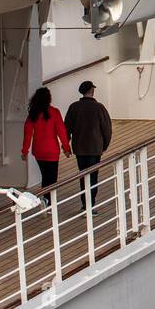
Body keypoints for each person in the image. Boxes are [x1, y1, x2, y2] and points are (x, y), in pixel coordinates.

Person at [64, 81, 113, 212]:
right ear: (92, 91)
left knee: (83, 175)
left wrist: (66, 147)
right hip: (95, 148)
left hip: (79, 148)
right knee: (93, 176)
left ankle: (85, 204)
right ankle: (90, 205)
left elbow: (66, 128)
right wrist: (104, 146)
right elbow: (107, 129)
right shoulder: (99, 108)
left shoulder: (74, 107)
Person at [21, 87, 70, 200]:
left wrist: (24, 151)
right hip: (52, 151)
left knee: (45, 177)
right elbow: (61, 132)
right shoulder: (55, 112)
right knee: (52, 179)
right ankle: (48, 201)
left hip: (38, 151)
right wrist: (66, 148)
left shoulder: (33, 114)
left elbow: (27, 134)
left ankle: (46, 199)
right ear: (49, 98)